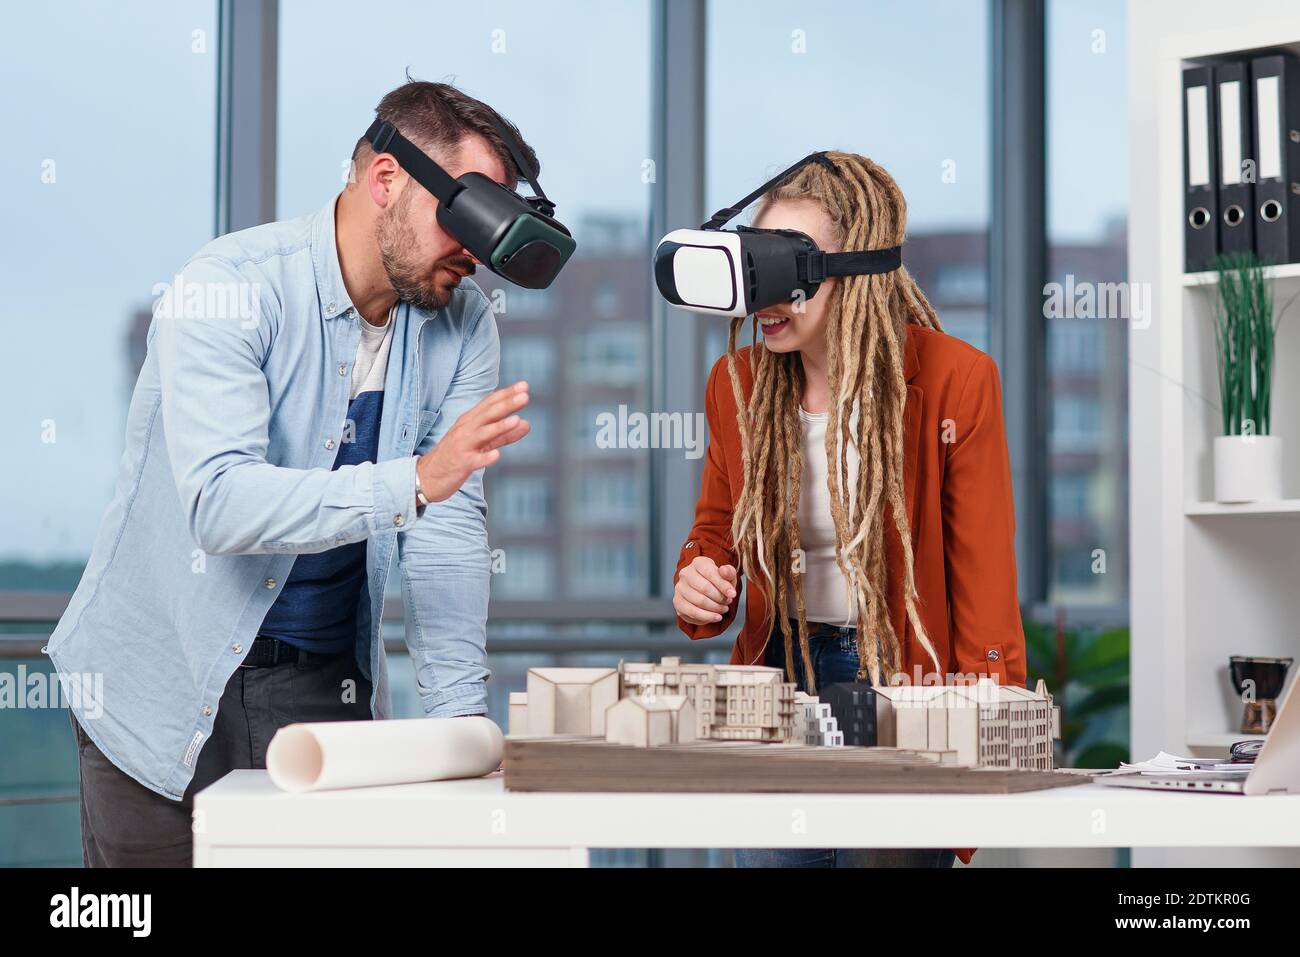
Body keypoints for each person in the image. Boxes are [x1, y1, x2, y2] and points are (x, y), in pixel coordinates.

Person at [48, 80, 536, 866]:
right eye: (465, 213)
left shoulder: (463, 323)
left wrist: (462, 736)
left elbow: (445, 530)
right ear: (386, 180)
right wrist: (412, 478)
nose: (475, 252)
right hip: (156, 680)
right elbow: (221, 501)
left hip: (317, 691)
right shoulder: (230, 286)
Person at [671, 151, 1027, 868]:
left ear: (856, 273)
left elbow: (983, 586)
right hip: (778, 679)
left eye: (786, 270)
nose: (763, 297)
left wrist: (982, 747)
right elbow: (715, 533)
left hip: (897, 682)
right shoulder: (735, 381)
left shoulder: (957, 383)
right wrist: (701, 577)